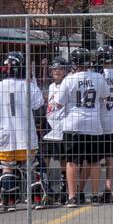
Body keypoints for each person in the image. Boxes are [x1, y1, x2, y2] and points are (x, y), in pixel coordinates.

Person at [0, 52, 45, 211]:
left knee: (7, 166)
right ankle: (37, 199)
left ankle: (9, 201)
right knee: (31, 166)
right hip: (26, 135)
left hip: (3, 135)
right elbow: (40, 114)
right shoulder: (30, 87)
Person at [58, 47, 108, 206]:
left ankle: (72, 197)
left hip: (73, 124)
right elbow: (105, 96)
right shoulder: (98, 77)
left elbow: (59, 102)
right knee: (94, 161)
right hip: (93, 123)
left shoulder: (69, 79)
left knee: (72, 161)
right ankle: (94, 195)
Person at [94, 45, 113, 203]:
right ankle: (108, 189)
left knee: (96, 159)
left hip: (99, 120)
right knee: (110, 157)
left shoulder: (97, 75)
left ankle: (95, 189)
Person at [42, 58, 71, 200]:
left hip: (62, 128)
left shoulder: (67, 85)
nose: (57, 72)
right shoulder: (51, 86)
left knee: (63, 161)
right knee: (44, 159)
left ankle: (64, 188)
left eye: (59, 69)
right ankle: (45, 189)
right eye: (54, 69)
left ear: (65, 70)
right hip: (49, 128)